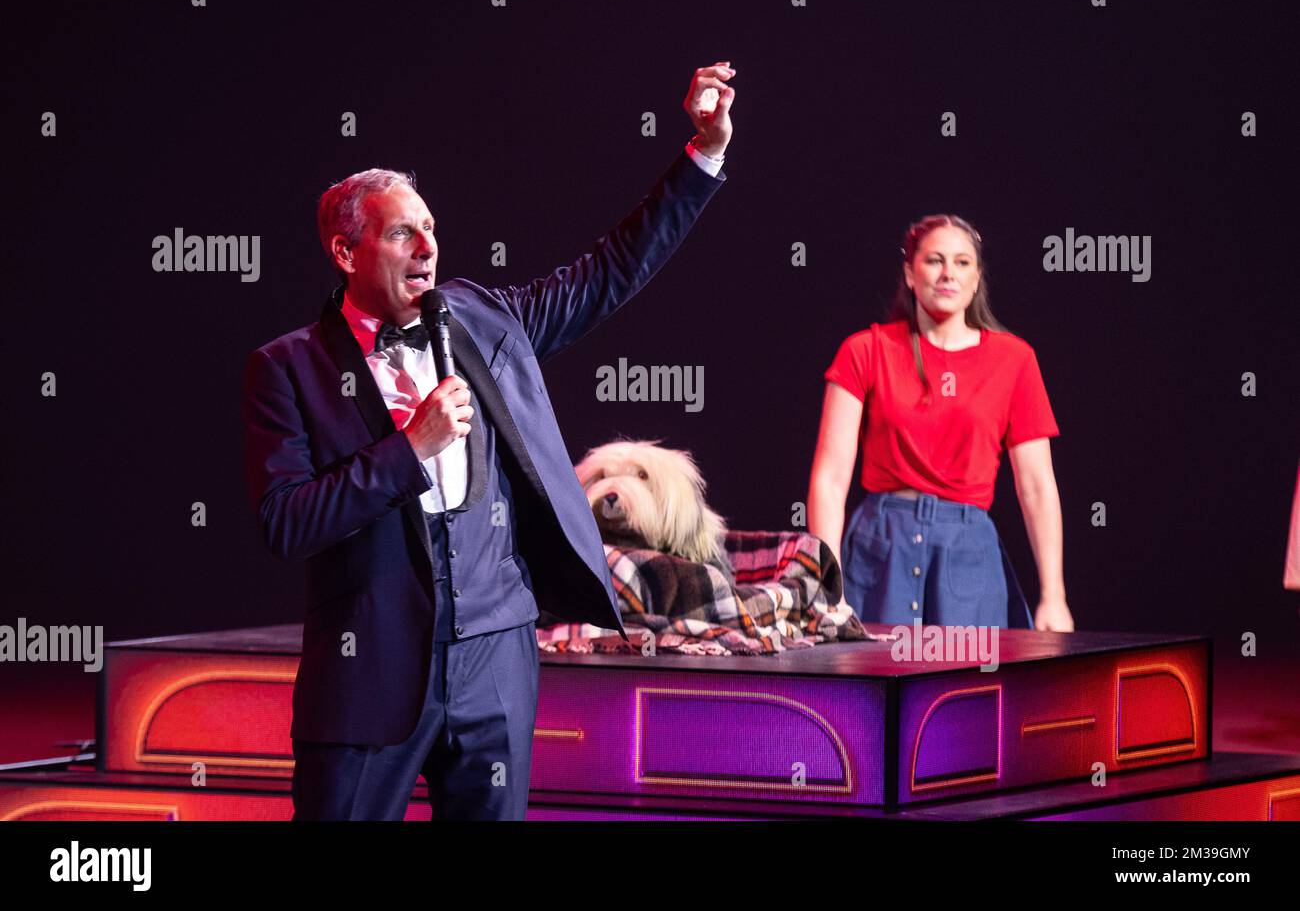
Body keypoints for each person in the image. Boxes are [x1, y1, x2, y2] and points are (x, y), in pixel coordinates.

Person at [241, 62, 737, 819]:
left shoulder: (480, 317)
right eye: (402, 231)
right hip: (367, 674)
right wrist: (409, 448)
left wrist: (702, 152)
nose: (426, 246)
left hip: (494, 662)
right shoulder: (287, 368)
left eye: (431, 228)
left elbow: (609, 271)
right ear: (347, 253)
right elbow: (286, 520)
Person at [806, 214, 1074, 632]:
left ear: (977, 278)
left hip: (967, 550)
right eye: (934, 260)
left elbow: (1037, 486)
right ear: (911, 274)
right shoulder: (866, 350)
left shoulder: (1014, 360)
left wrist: (1053, 595)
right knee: (871, 686)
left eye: (962, 262)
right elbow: (831, 476)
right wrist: (826, 586)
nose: (948, 273)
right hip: (881, 545)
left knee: (967, 687)